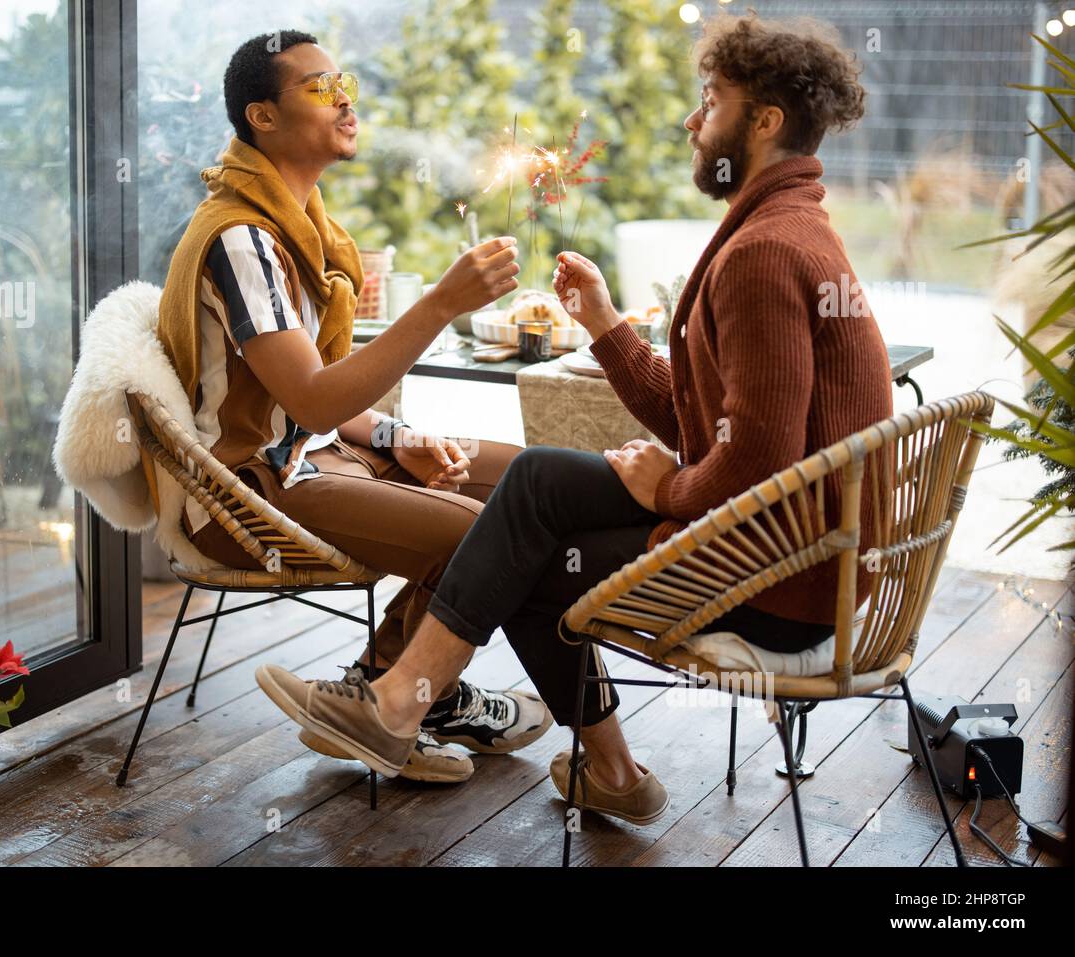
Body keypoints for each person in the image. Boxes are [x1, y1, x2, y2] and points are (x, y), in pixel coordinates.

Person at [254, 14, 891, 826]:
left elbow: (755, 461)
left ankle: (422, 710)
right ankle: (458, 721)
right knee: (537, 478)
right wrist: (606, 327)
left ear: (764, 123)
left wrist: (668, 491)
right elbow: (716, 426)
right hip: (788, 551)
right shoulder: (788, 228)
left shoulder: (766, 251)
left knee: (526, 558)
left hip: (776, 582)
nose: (693, 121)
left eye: (710, 101)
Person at [150, 31, 552, 785]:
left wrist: (401, 435)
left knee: (531, 482)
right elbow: (309, 397)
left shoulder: (303, 227)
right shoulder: (240, 238)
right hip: (248, 492)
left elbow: (317, 394)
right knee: (484, 535)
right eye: (316, 86)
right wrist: (439, 304)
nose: (342, 99)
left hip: (314, 455)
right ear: (262, 117)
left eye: (344, 83)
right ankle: (413, 697)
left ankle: (382, 694)